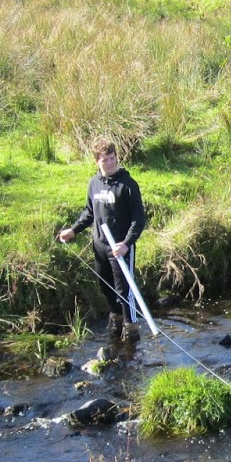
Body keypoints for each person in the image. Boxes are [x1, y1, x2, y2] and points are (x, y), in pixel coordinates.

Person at [58, 139, 147, 340]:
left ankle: (131, 328)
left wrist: (126, 244)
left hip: (121, 247)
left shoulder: (128, 185)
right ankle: (116, 317)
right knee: (104, 285)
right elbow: (89, 212)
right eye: (105, 160)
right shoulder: (94, 184)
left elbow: (139, 219)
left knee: (125, 289)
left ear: (116, 158)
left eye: (112, 158)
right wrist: (73, 231)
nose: (109, 163)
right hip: (99, 245)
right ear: (97, 161)